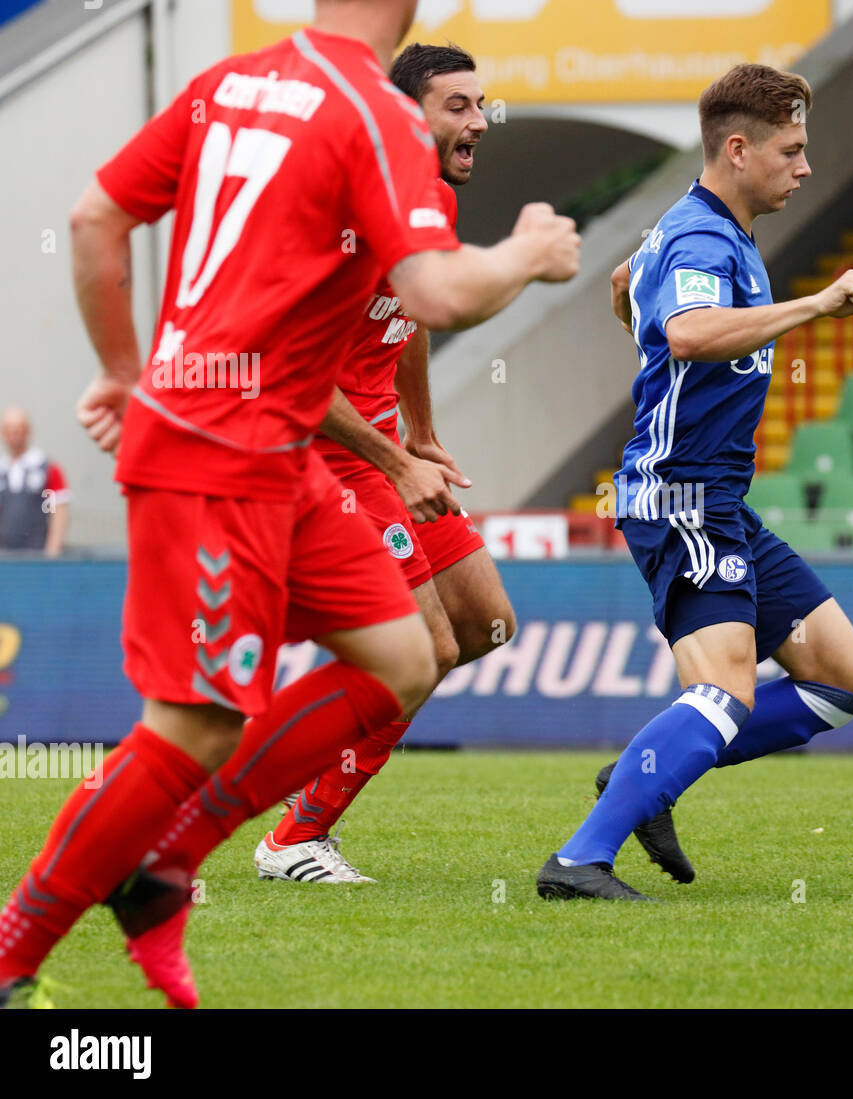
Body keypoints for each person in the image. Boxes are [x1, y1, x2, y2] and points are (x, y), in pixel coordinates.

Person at [0, 0, 578, 1010]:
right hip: (219, 452)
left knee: (404, 660)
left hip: (277, 446)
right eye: (463, 104)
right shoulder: (374, 110)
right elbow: (437, 293)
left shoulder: (232, 81)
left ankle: (166, 868)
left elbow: (97, 220)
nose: (476, 120)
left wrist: (122, 370)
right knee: (194, 730)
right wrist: (530, 252)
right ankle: (15, 947)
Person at [535, 63, 853, 902]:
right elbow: (688, 335)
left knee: (843, 679)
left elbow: (646, 315)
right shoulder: (700, 237)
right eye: (791, 151)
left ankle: (649, 764)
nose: (804, 168)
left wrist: (631, 304)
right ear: (738, 148)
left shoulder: (711, 233)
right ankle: (580, 859)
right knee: (723, 690)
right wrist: (820, 304)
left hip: (722, 500)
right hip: (680, 496)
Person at [255, 42, 520, 884]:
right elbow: (286, 374)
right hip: (323, 455)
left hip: (383, 451)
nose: (478, 121)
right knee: (428, 647)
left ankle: (345, 690)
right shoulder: (343, 213)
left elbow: (414, 309)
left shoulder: (430, 202)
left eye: (481, 104)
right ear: (407, 114)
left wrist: (421, 432)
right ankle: (294, 837)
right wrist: (389, 459)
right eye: (458, 106)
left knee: (483, 622)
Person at [0, 406, 70, 556]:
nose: (14, 436)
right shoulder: (2, 470)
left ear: (28, 431)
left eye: (18, 430)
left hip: (36, 554)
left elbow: (57, 511)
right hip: (5, 555)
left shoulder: (47, 469)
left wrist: (52, 551)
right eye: (9, 430)